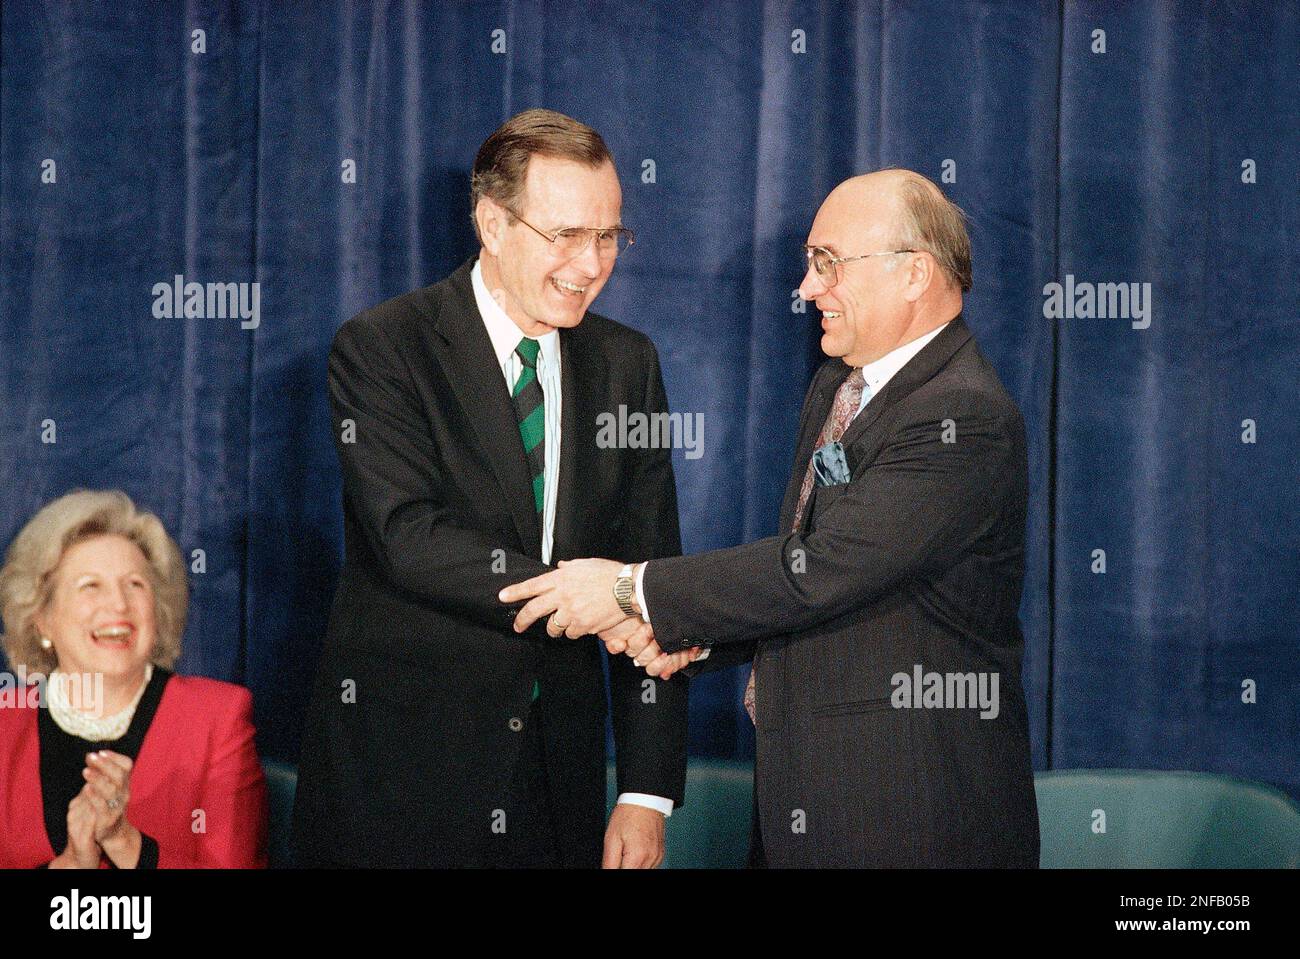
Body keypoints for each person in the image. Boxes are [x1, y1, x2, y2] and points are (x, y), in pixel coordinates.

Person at [502, 169, 1041, 868]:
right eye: (810, 265)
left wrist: (626, 589)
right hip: (805, 810)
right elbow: (817, 568)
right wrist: (700, 641)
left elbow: (817, 571)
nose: (810, 287)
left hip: (909, 818)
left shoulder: (961, 416)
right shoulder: (839, 385)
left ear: (913, 273)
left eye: (828, 264)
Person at [292, 109, 690, 868]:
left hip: (558, 791)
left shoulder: (628, 365)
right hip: (402, 788)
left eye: (608, 235)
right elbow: (409, 538)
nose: (591, 262)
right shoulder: (384, 348)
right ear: (493, 224)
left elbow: (648, 570)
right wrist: (596, 598)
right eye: (565, 234)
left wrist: (645, 791)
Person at [0, 489, 268, 868]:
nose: (119, 605)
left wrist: (124, 843)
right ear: (40, 617)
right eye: (90, 585)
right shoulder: (5, 724)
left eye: (135, 585)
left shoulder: (217, 719)